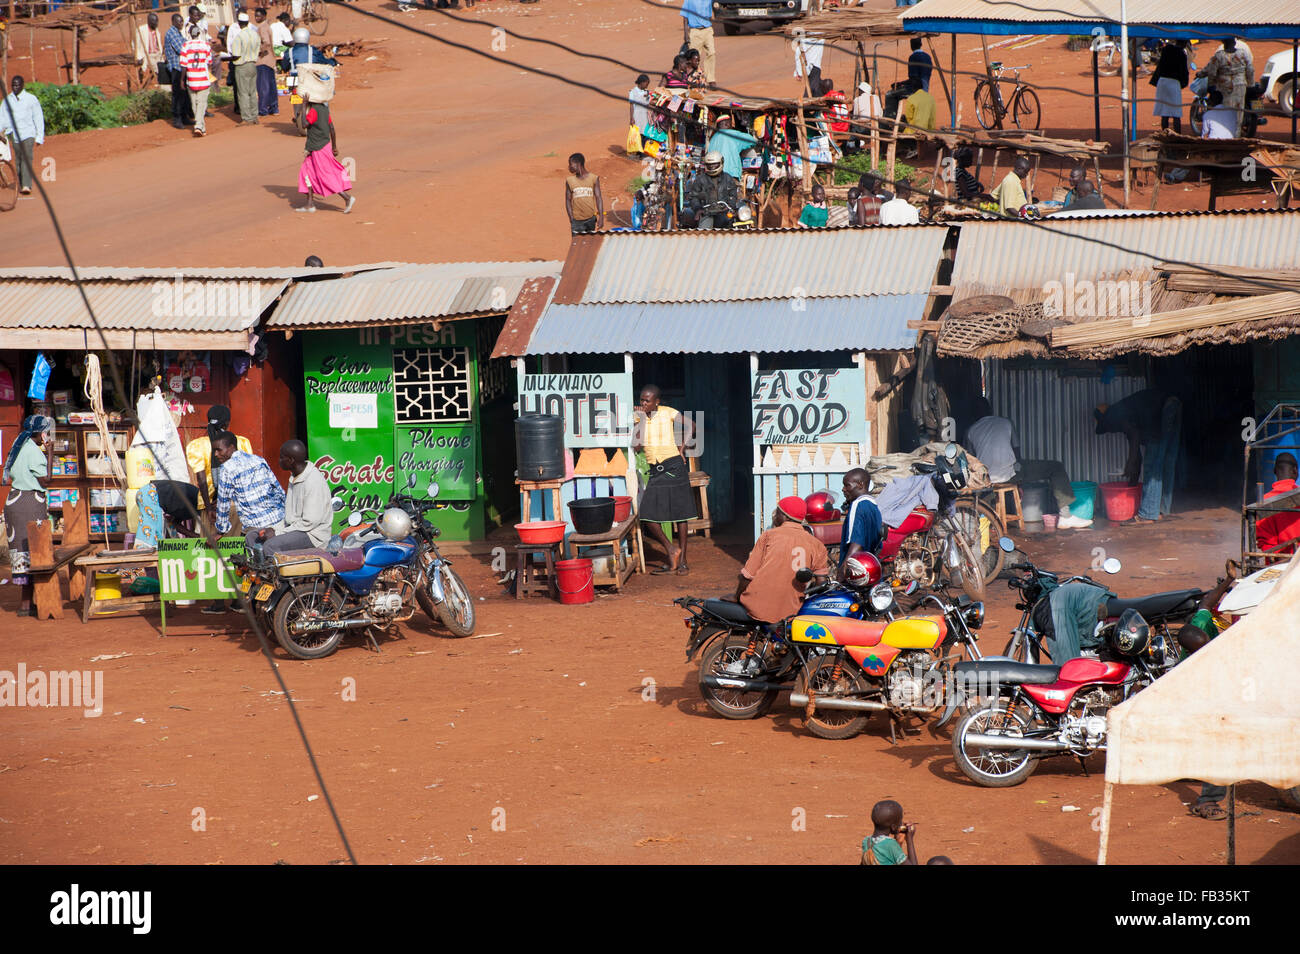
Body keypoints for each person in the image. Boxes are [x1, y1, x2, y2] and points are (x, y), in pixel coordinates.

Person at [966, 397, 1090, 529]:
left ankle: (985, 520)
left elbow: (971, 461)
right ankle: (1065, 516)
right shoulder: (1005, 422)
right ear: (990, 409)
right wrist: (1019, 482)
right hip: (1011, 475)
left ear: (973, 415)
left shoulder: (970, 430)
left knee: (991, 477)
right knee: (1056, 467)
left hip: (987, 480)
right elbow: (1016, 453)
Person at [735, 496, 829, 624]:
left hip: (756, 605)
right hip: (791, 610)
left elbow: (747, 575)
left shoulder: (768, 536)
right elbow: (821, 583)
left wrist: (736, 597)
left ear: (784, 516)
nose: (774, 516)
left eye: (777, 512)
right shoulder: (817, 545)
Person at [1094, 389, 1182, 523]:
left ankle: (1147, 514)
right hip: (1173, 404)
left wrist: (1129, 462)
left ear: (1104, 419)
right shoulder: (1129, 416)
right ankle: (1162, 510)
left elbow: (1134, 438)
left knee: (1152, 465)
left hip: (1160, 413)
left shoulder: (1114, 415)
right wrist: (1132, 481)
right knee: (1167, 461)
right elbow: (1136, 453)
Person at [634, 385, 695, 575]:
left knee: (680, 514)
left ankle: (682, 561)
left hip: (673, 466)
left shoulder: (668, 412)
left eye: (647, 400)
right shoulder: (638, 417)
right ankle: (671, 549)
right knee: (646, 514)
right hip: (656, 470)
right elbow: (636, 447)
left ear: (657, 402)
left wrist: (681, 450)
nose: (643, 403)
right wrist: (642, 420)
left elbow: (692, 425)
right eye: (642, 399)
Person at [3, 415, 53, 616]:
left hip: (15, 500)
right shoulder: (34, 452)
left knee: (21, 552)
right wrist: (50, 453)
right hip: (29, 503)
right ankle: (26, 604)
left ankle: (27, 602)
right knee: (34, 550)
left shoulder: (19, 442)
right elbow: (46, 480)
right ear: (41, 433)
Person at [212, 431, 286, 547]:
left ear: (231, 447)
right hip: (279, 522)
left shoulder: (227, 468)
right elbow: (278, 490)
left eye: (219, 450)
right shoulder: (258, 459)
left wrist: (221, 529)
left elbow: (223, 503)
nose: (216, 454)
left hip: (256, 528)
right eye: (214, 451)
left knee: (255, 562)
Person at [261, 440, 332, 555]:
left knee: (271, 545)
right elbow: (290, 518)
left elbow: (309, 523)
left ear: (291, 460)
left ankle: (273, 573)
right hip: (296, 529)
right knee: (253, 536)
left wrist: (278, 533)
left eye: (281, 457)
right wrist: (273, 529)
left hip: (312, 535)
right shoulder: (295, 476)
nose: (279, 460)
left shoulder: (312, 481)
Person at [186, 405, 253, 514]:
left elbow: (202, 480)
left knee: (209, 531)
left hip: (209, 504)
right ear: (226, 423)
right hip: (236, 503)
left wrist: (208, 509)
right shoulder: (242, 442)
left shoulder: (197, 445)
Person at [296, 94, 356, 213]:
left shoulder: (314, 111)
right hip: (321, 146)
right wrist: (334, 146)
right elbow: (332, 128)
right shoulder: (324, 109)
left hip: (318, 148)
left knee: (325, 175)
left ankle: (347, 198)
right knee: (306, 173)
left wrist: (303, 106)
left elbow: (304, 125)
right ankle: (310, 204)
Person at [1, 77, 44, 196]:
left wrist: (39, 136)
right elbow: (2, 118)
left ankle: (26, 185)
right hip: (15, 134)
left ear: (22, 85)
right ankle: (21, 183)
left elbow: (38, 117)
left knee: (26, 158)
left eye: (17, 85)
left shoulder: (31, 99)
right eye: (13, 85)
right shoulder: (7, 100)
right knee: (18, 161)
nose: (15, 88)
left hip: (28, 133)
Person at [1199, 36, 1252, 126]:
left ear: (1224, 44)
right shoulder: (1243, 53)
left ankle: (1227, 130)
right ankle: (1237, 132)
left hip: (1226, 86)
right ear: (1234, 43)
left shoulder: (1219, 55)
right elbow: (1250, 69)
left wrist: (1210, 83)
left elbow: (1211, 71)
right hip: (1241, 84)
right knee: (1239, 111)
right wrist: (1250, 83)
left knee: (1227, 109)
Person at [1255, 452, 1300, 556]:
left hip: (1276, 564)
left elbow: (1264, 542)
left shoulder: (1263, 501)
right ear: (1295, 470)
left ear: (1275, 471)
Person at [839, 468, 883, 572]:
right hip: (869, 568)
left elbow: (856, 544)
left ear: (860, 484)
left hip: (855, 573)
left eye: (847, 485)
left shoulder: (857, 505)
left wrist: (842, 573)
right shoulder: (873, 505)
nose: (843, 489)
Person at [683, 151, 738, 229]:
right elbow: (693, 197)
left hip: (724, 212)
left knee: (735, 224)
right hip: (707, 213)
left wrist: (730, 206)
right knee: (705, 231)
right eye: (709, 165)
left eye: (715, 165)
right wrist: (698, 209)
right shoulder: (700, 179)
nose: (712, 167)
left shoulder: (728, 178)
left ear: (721, 163)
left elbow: (733, 195)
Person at [180, 25, 214, 137]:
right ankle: (199, 126)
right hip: (203, 79)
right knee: (201, 104)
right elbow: (209, 62)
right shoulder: (205, 45)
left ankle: (201, 127)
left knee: (195, 105)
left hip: (191, 80)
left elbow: (183, 65)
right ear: (199, 34)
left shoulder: (185, 46)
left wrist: (182, 80)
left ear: (189, 34)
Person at [861, 800, 918, 865]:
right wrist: (909, 839)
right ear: (893, 827)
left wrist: (898, 842)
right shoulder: (891, 844)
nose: (902, 823)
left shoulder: (866, 841)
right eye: (900, 821)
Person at [163, 15, 195, 129]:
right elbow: (182, 49)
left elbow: (185, 43)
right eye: (179, 22)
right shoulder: (172, 33)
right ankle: (177, 119)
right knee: (177, 95)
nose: (181, 23)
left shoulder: (177, 32)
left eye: (182, 21)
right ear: (173, 22)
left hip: (181, 68)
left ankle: (184, 117)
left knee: (184, 94)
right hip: (176, 68)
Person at [229, 11, 261, 125]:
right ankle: (254, 116)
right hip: (253, 64)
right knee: (252, 91)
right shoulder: (255, 34)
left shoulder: (239, 37)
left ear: (239, 23)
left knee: (243, 92)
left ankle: (246, 118)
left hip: (242, 66)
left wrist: (228, 58)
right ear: (247, 22)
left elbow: (236, 54)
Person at [1151, 39, 1189, 133]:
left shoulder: (1166, 50)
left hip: (1162, 82)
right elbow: (1184, 71)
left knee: (1165, 113)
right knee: (1176, 114)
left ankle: (1165, 134)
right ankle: (1178, 136)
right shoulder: (1181, 54)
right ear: (1184, 43)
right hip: (1174, 83)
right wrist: (1184, 83)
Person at [707, 114, 757, 180]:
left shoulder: (713, 137)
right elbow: (752, 140)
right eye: (731, 123)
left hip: (713, 174)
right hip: (730, 174)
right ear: (727, 124)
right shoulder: (732, 134)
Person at [564, 152, 603, 233]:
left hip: (591, 219)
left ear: (578, 164)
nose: (569, 167)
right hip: (576, 221)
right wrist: (571, 218)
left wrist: (601, 217)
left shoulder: (594, 178)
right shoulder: (569, 181)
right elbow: (568, 200)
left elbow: (598, 197)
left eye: (571, 164)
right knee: (577, 244)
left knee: (589, 243)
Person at [680, 0, 716, 88]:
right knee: (695, 57)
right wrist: (686, 35)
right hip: (695, 31)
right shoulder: (689, 1)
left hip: (707, 29)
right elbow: (685, 18)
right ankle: (696, 78)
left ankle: (710, 79)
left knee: (711, 53)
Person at [254, 8, 279, 117]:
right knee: (271, 85)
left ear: (264, 16)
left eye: (258, 16)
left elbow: (266, 42)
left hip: (263, 61)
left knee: (263, 86)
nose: (256, 18)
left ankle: (263, 110)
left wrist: (260, 51)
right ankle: (274, 108)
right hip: (270, 60)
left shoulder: (261, 27)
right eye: (255, 16)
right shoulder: (267, 26)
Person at [135, 12, 165, 85]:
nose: (156, 23)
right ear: (149, 22)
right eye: (154, 21)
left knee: (162, 68)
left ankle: (147, 85)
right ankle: (161, 86)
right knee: (157, 69)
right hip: (148, 55)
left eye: (157, 21)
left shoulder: (156, 30)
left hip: (157, 54)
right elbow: (135, 44)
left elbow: (158, 43)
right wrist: (139, 56)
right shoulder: (141, 30)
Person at [628, 73, 651, 145]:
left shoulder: (647, 92)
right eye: (646, 84)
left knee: (645, 133)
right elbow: (631, 105)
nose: (647, 86)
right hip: (637, 116)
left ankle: (644, 151)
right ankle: (638, 152)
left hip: (645, 116)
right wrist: (632, 118)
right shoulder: (633, 92)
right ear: (642, 82)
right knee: (637, 134)